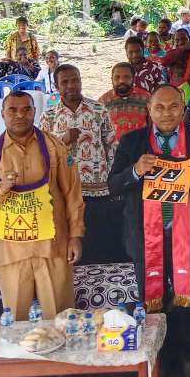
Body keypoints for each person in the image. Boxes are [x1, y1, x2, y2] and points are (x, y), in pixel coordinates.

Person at [108, 84, 190, 377]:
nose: (167, 113)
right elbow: (114, 185)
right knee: (151, 301)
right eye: (160, 107)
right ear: (149, 110)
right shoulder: (133, 142)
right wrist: (134, 171)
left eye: (174, 107)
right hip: (146, 239)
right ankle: (159, 362)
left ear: (184, 110)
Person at [0, 91, 83, 321]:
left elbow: (72, 194)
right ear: (3, 114)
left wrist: (76, 235)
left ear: (34, 112)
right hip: (12, 251)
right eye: (13, 110)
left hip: (52, 247)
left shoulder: (55, 147)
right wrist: (0, 189)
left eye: (26, 109)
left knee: (59, 319)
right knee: (17, 322)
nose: (20, 115)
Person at [41, 64, 120, 265]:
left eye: (75, 80)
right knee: (71, 242)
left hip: (97, 188)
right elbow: (41, 154)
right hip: (64, 190)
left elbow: (111, 145)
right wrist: (63, 139)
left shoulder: (98, 109)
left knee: (98, 240)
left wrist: (111, 177)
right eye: (65, 82)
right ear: (57, 86)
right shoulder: (49, 116)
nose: (71, 85)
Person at [98, 62, 150, 148]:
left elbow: (153, 125)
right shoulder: (103, 101)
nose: (121, 81)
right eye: (117, 77)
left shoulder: (146, 98)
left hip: (140, 150)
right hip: (113, 153)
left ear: (133, 78)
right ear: (112, 79)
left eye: (126, 77)